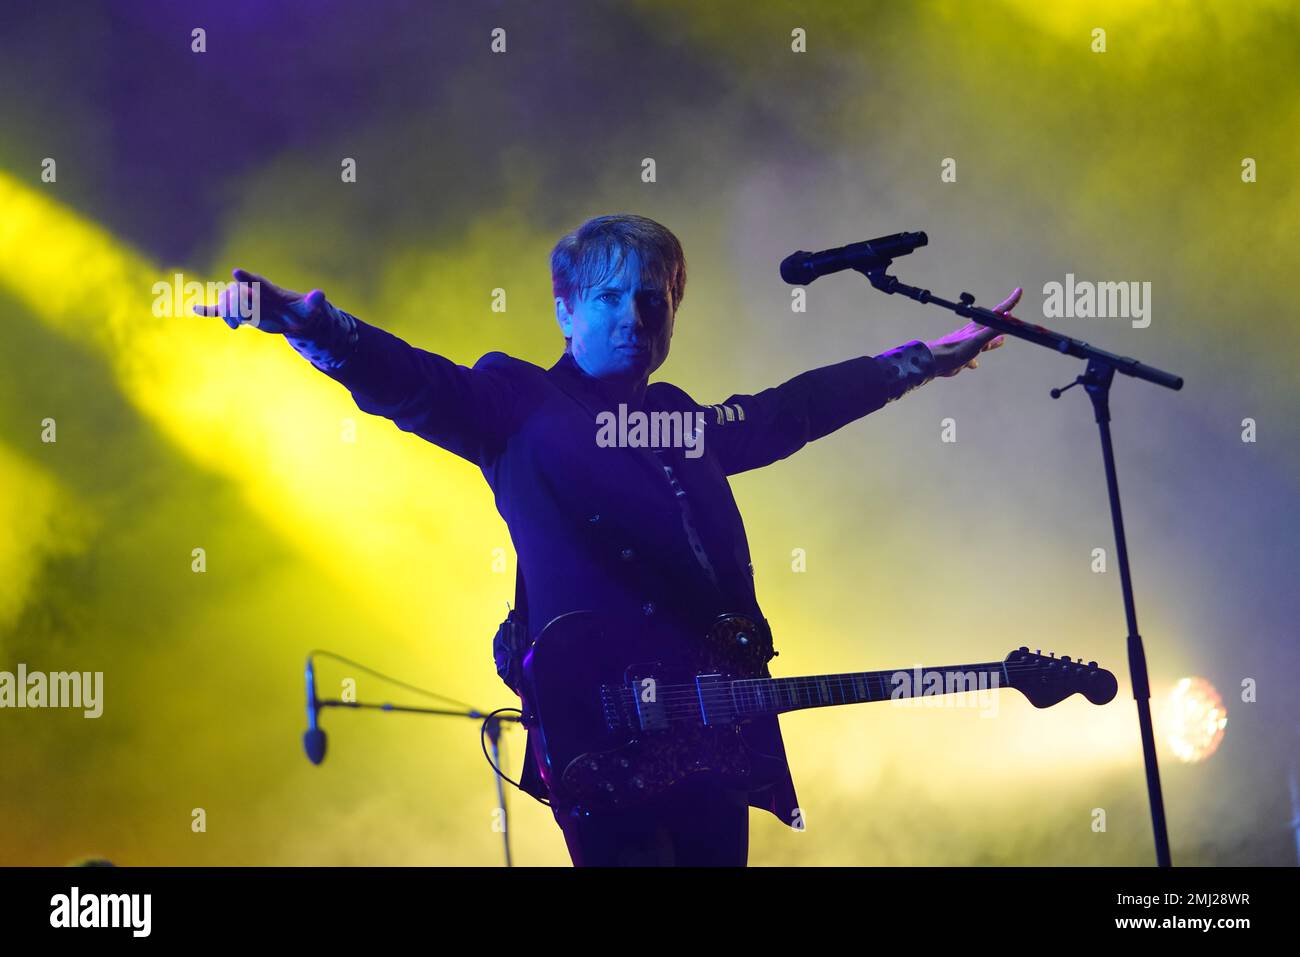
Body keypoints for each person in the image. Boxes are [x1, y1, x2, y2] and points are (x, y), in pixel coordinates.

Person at [195, 214, 1018, 866]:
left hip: (709, 727)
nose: (634, 315)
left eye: (653, 299)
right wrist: (316, 328)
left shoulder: (679, 420)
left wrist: (921, 363)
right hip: (604, 736)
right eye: (610, 297)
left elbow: (788, 411)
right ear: (564, 310)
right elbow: (413, 383)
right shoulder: (516, 403)